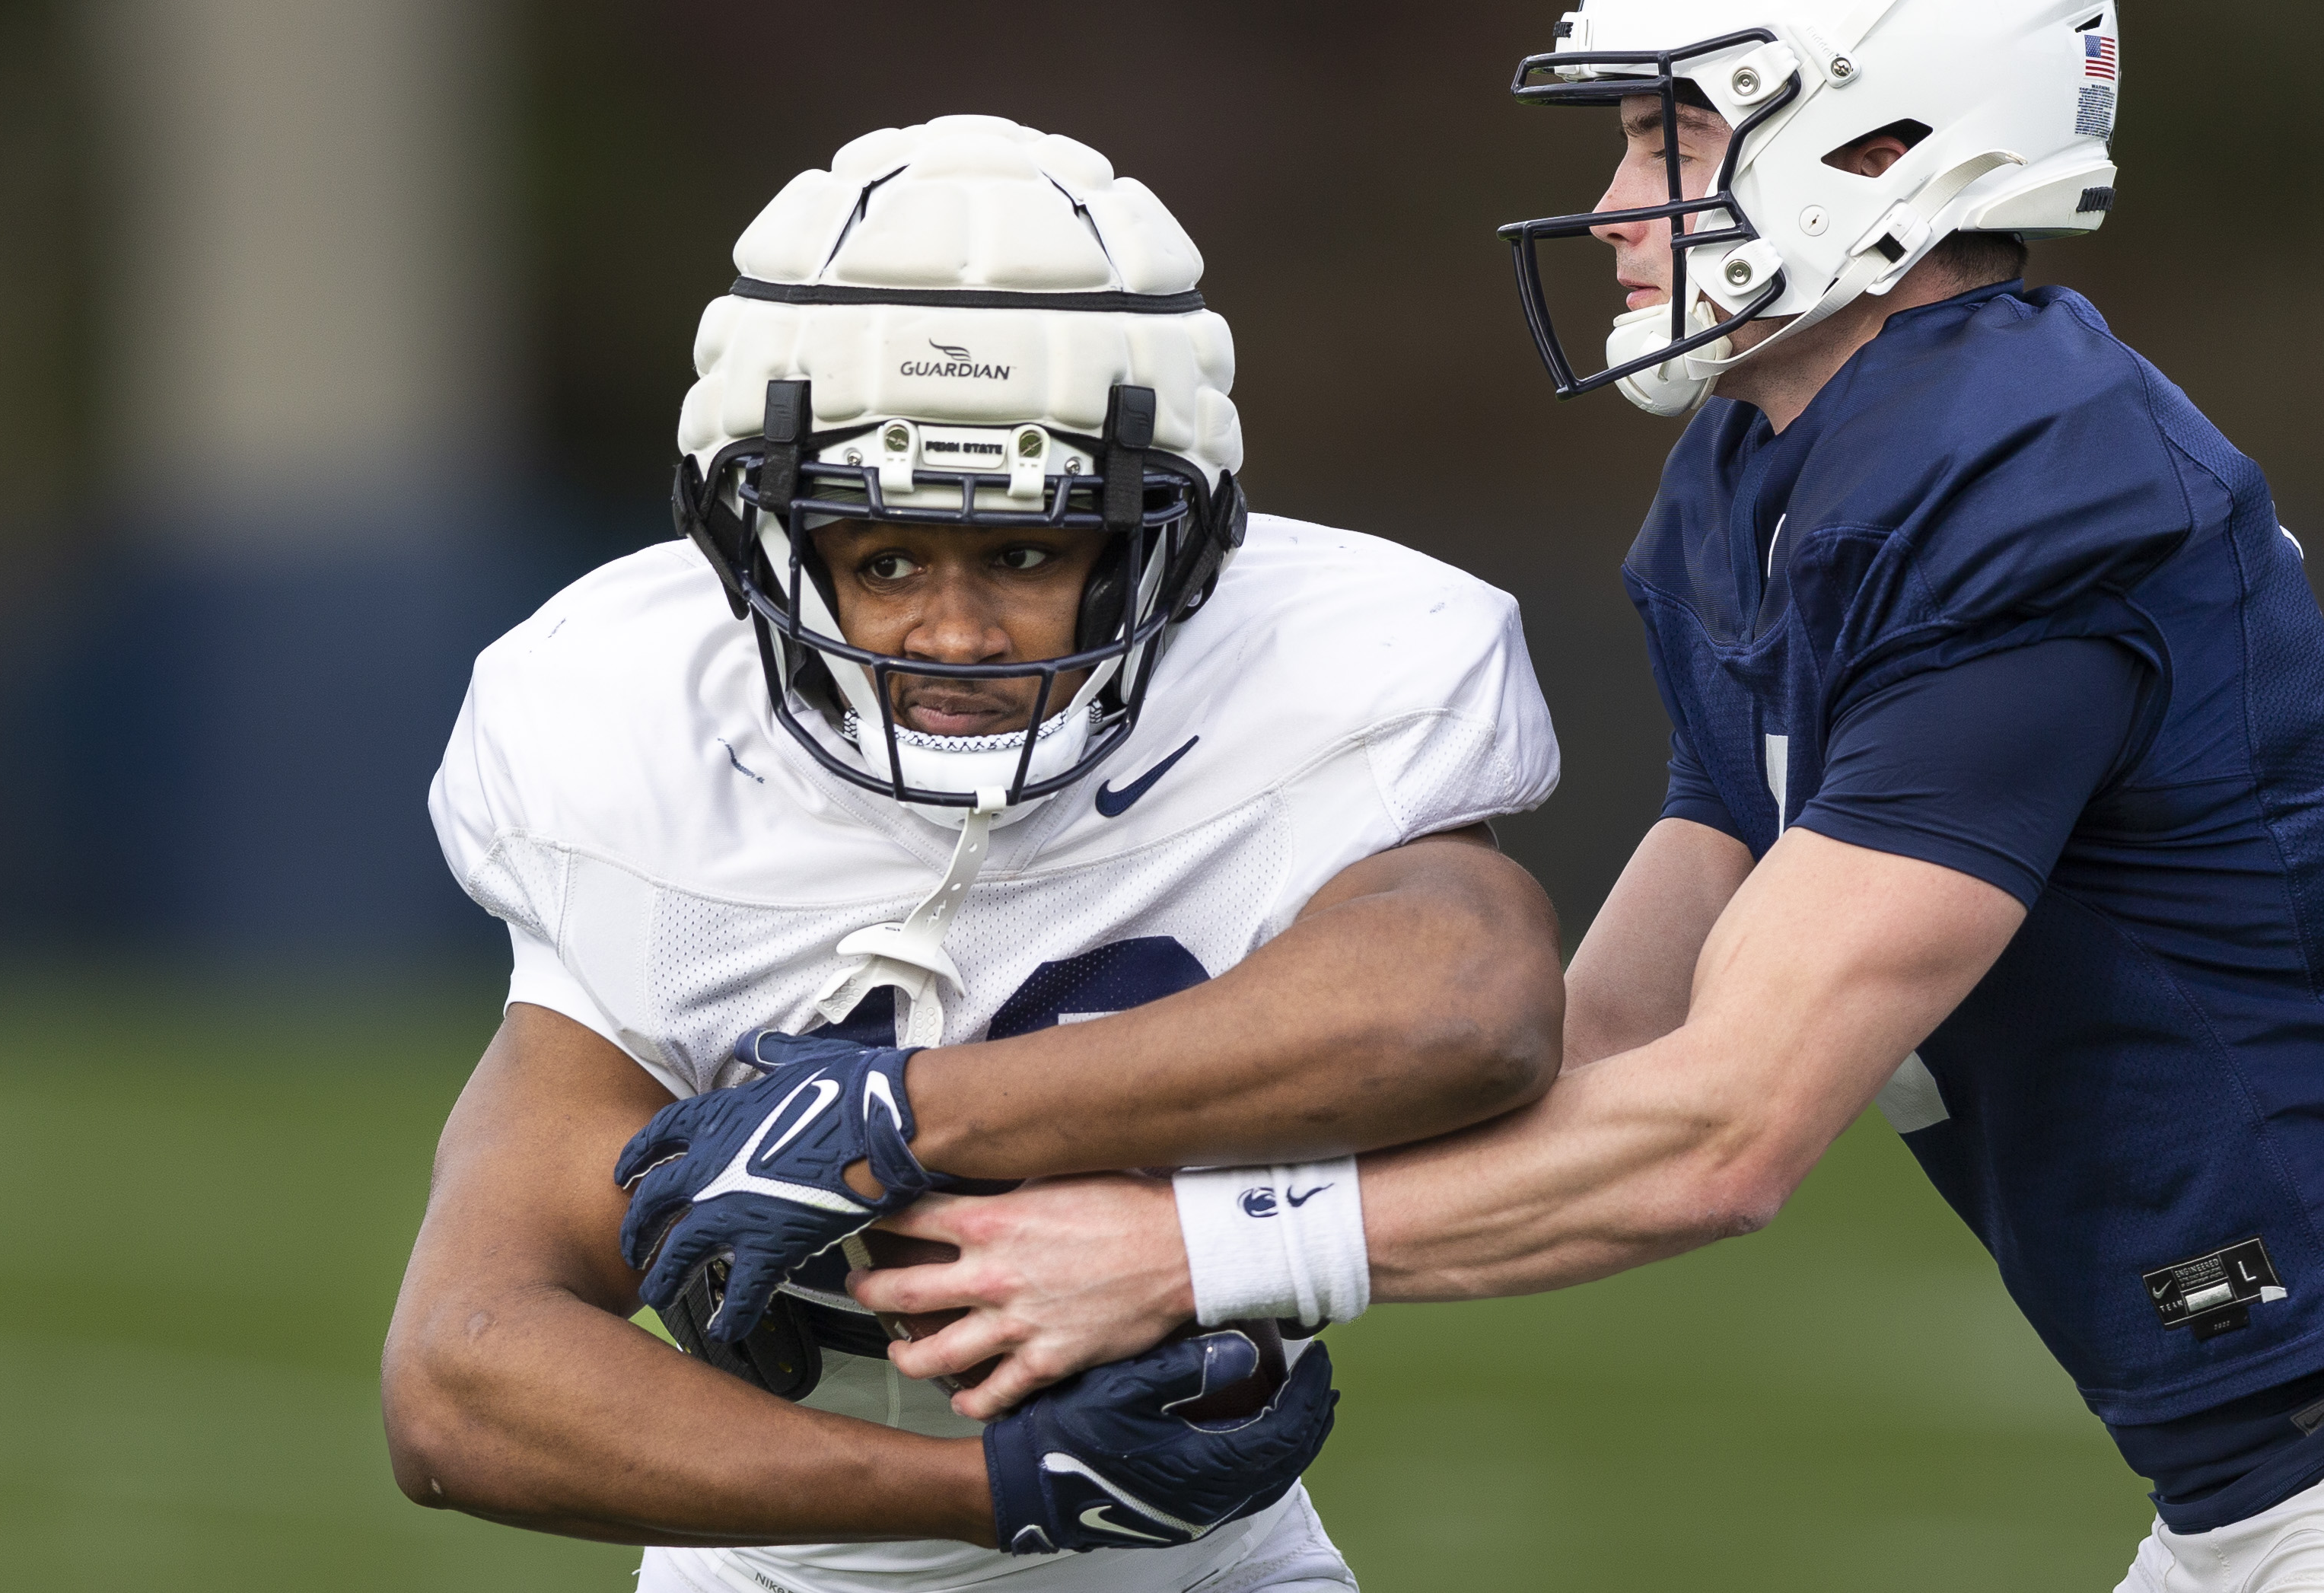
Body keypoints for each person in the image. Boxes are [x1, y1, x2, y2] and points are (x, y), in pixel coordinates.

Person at [841, 9, 2324, 1588]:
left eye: (1666, 139)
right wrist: (1069, 1179)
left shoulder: (2023, 482)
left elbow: (1723, 1135)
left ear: (1888, 149)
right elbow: (1605, 1035)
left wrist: (1174, 1258)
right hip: (2241, 1478)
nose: (1619, 206)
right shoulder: (1769, 467)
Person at [380, 114, 1568, 1593]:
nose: (953, 635)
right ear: (765, 544)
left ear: (1159, 543)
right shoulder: (621, 725)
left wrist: (904, 1115)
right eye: (882, 561)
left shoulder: (1326, 670)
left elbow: (1465, 1007)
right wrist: (991, 1491)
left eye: (1021, 553)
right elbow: (459, 1375)